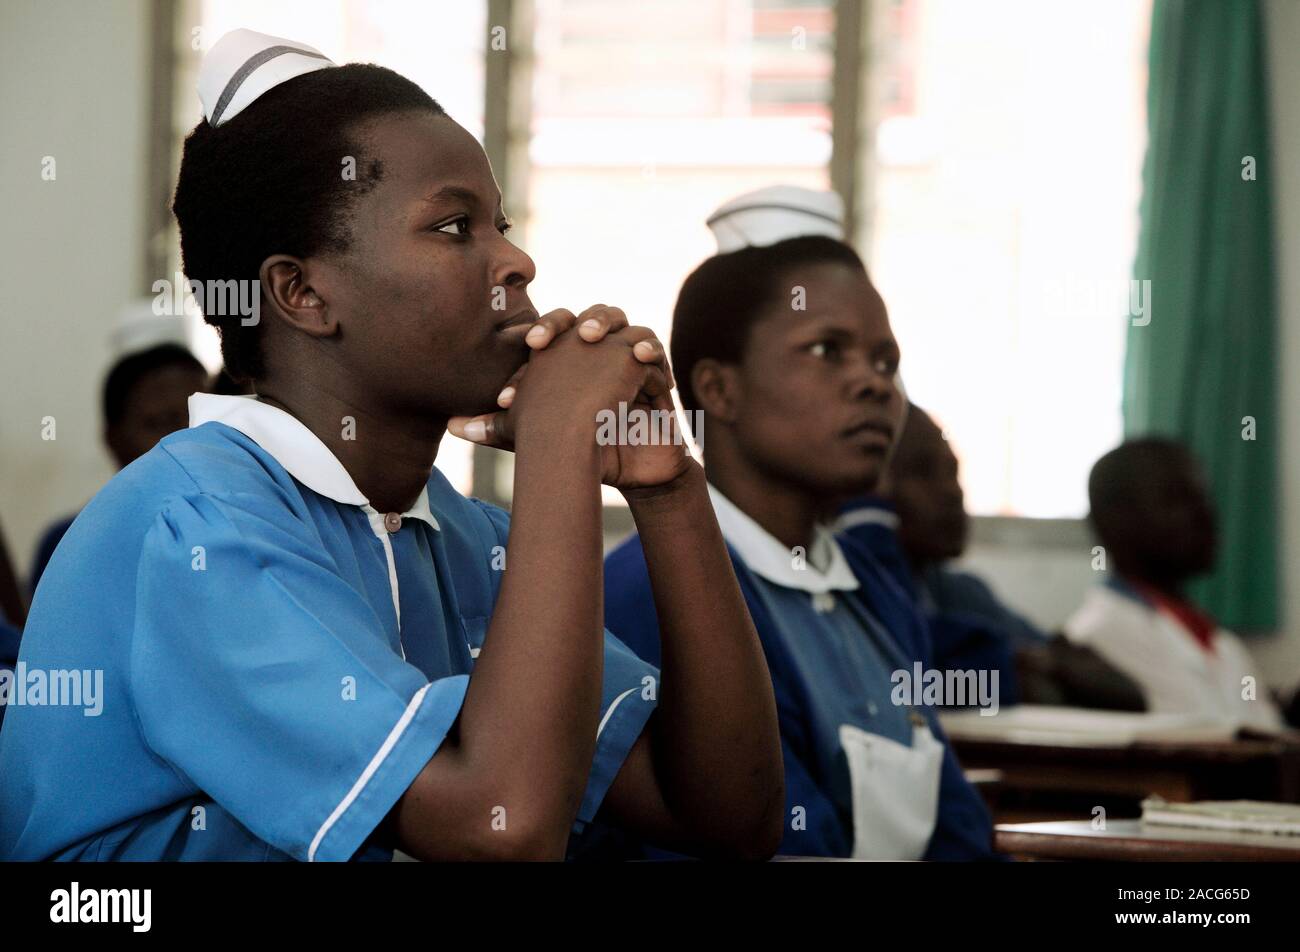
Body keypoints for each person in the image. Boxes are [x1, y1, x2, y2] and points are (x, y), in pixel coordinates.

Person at [0, 29, 783, 862]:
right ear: (302, 293)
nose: (516, 259)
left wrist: (667, 488)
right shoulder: (198, 528)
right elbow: (500, 828)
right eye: (454, 227)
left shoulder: (465, 538)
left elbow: (726, 819)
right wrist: (561, 449)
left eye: (502, 224)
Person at [605, 186, 997, 860]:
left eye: (886, 362)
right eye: (826, 350)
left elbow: (959, 831)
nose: (875, 384)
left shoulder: (870, 587)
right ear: (719, 389)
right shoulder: (652, 590)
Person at [838, 404, 1144, 711]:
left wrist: (1033, 667)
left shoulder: (961, 591)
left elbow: (1115, 689)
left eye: (954, 473)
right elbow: (901, 687)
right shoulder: (850, 591)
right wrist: (1019, 675)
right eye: (921, 471)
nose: (952, 492)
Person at [1064, 437, 1283, 730]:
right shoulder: (1099, 639)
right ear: (1115, 521)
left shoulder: (1217, 640)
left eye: (1204, 498)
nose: (1206, 516)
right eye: (1178, 500)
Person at [28, 342, 210, 595]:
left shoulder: (251, 524)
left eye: (201, 419)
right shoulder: (71, 545)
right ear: (114, 440)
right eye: (161, 423)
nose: (186, 436)